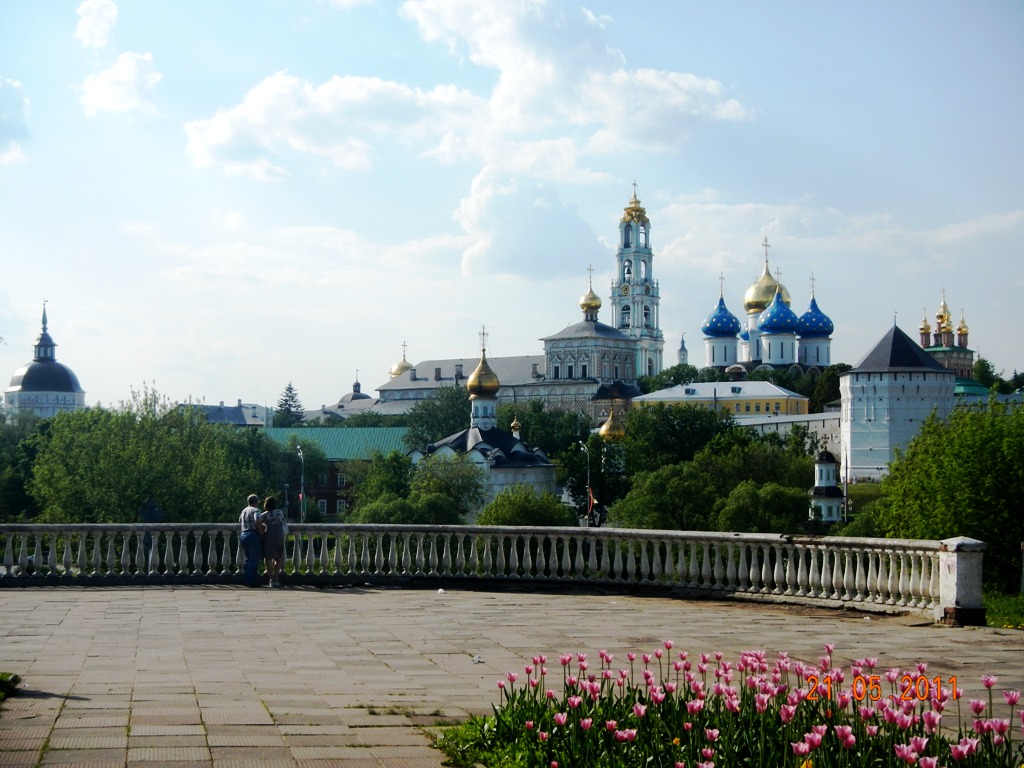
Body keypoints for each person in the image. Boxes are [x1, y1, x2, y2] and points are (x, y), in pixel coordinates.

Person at [239, 493, 265, 587]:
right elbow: (257, 520)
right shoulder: (255, 510)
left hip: (243, 535)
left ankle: (246, 579)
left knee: (248, 559)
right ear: (256, 502)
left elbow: (240, 521)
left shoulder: (244, 511)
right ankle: (251, 581)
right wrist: (261, 531)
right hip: (252, 535)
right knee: (254, 560)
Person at [261, 496, 287, 588]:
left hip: (268, 537)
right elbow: (283, 522)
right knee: (278, 558)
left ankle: (271, 579)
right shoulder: (280, 512)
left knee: (268, 558)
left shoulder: (264, 515)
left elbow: (260, 525)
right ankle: (276, 578)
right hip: (278, 537)